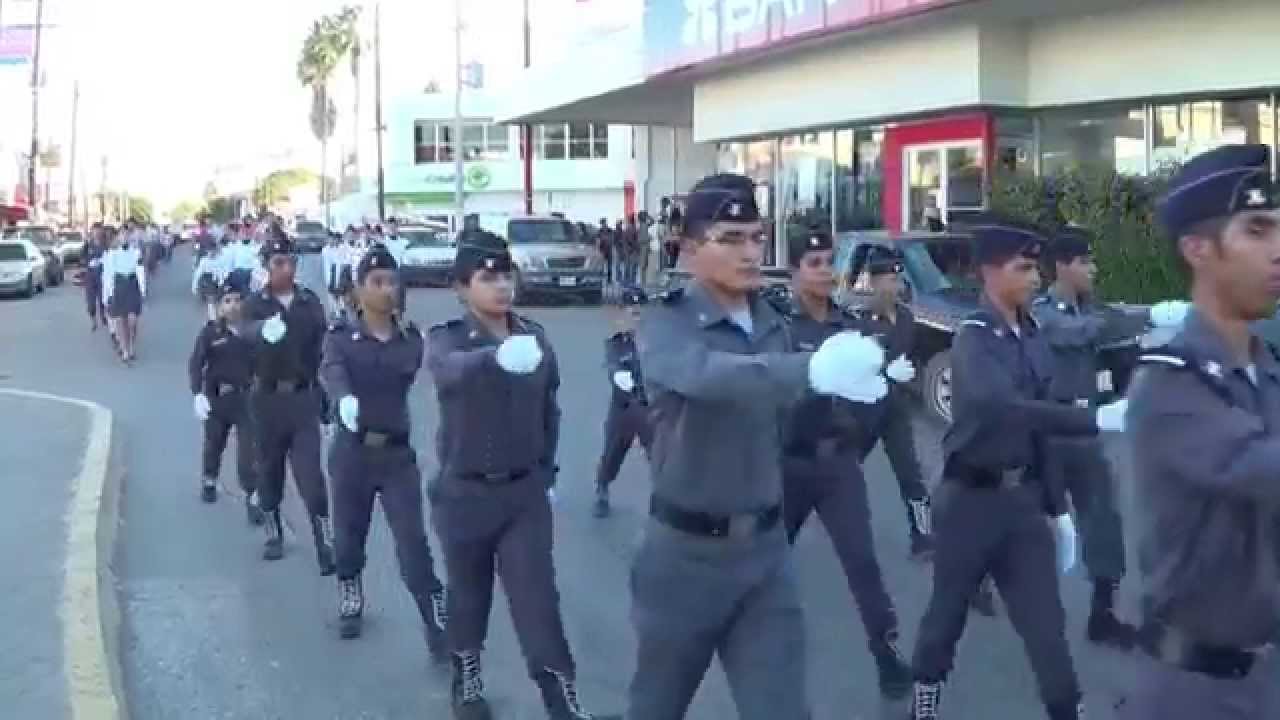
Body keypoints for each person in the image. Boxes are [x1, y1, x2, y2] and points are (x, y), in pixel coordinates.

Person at [628, 173, 888, 720]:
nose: (750, 252)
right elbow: (710, 377)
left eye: (756, 237)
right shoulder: (666, 320)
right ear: (692, 248)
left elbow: (790, 412)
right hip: (685, 557)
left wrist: (853, 393)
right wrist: (810, 370)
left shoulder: (773, 320)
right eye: (731, 238)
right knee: (656, 707)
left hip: (765, 553)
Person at [908, 219, 1128, 720]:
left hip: (1022, 504)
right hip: (969, 503)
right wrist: (1092, 417)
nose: (1034, 277)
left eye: (1035, 267)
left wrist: (1058, 509)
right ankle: (924, 704)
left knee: (1046, 625)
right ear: (989, 272)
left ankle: (1065, 710)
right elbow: (1004, 407)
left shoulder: (1031, 333)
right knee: (947, 614)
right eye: (1022, 267)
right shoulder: (974, 338)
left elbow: (1040, 430)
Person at [427, 230, 615, 720]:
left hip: (523, 494)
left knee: (537, 600)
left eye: (505, 274)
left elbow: (549, 411)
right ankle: (466, 681)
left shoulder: (535, 336)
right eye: (487, 278)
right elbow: (446, 372)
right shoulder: (446, 337)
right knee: (468, 595)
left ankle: (561, 698)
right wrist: (493, 358)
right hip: (465, 492)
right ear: (462, 288)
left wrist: (546, 472)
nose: (501, 286)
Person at [1122, 144, 1280, 720]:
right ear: (1198, 250)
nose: (1278, 250)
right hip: (1192, 693)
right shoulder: (1170, 384)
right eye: (1257, 231)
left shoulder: (1266, 368)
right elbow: (1265, 469)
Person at [775, 230, 914, 700]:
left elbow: (871, 398)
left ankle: (887, 652)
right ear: (794, 270)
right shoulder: (777, 326)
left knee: (862, 561)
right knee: (765, 560)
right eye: (813, 262)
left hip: (837, 464)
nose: (824, 271)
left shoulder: (851, 325)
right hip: (789, 466)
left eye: (829, 262)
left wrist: (861, 429)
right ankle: (738, 644)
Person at [320, 244, 448, 653]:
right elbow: (332, 370)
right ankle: (350, 592)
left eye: (392, 281)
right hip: (353, 452)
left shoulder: (411, 340)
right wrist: (343, 400)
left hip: (395, 455)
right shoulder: (341, 338)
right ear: (358, 291)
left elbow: (442, 368)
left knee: (412, 540)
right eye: (376, 282)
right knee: (348, 534)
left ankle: (435, 618)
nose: (386, 289)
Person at [1031, 226, 1138, 650]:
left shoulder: (1094, 308)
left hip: (1088, 429)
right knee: (1028, 525)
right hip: (1048, 433)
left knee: (1104, 525)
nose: (1092, 269)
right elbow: (1078, 333)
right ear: (1063, 266)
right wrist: (1146, 316)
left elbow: (1111, 336)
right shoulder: (1043, 311)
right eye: (1085, 262)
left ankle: (1103, 614)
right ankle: (986, 580)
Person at [242, 228, 335, 574]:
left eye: (290, 262)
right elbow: (242, 334)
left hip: (303, 397)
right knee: (269, 471)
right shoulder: (255, 304)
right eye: (278, 262)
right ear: (267, 266)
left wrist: (326, 395)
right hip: (267, 399)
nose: (286, 269)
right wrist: (260, 331)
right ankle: (274, 533)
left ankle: (325, 542)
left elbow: (323, 349)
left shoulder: (309, 302)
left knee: (312, 478)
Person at [852, 246, 934, 560]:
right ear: (873, 282)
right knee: (842, 471)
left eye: (898, 281)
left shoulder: (906, 317)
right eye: (888, 280)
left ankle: (924, 538)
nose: (895, 287)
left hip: (894, 408)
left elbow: (906, 354)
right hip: (862, 409)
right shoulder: (857, 320)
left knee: (910, 473)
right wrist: (884, 369)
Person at [189, 273, 263, 524]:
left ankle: (253, 497)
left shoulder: (252, 332)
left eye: (237, 300)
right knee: (214, 444)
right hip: (218, 398)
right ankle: (209, 478)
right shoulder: (210, 333)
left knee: (249, 453)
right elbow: (196, 364)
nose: (232, 305)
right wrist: (197, 393)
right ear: (220, 306)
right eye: (227, 300)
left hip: (247, 399)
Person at [592, 286, 652, 518]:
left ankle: (665, 500)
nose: (635, 315)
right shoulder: (618, 342)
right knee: (613, 452)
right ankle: (602, 487)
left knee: (660, 456)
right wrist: (618, 375)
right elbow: (613, 363)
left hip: (650, 407)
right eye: (631, 311)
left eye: (639, 311)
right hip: (624, 407)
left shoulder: (657, 341)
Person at [102, 220, 147, 363]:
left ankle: (132, 346)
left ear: (130, 236)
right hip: (119, 285)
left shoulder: (136, 252)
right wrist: (107, 294)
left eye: (127, 235)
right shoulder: (112, 254)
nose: (124, 238)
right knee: (121, 321)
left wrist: (143, 290)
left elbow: (140, 271)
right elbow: (108, 274)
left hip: (132, 285)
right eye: (122, 235)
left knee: (133, 321)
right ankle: (125, 350)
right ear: (118, 238)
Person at [192, 235, 228, 322]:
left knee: (219, 301)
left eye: (213, 250)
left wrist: (222, 281)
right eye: (209, 250)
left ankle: (220, 318)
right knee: (211, 301)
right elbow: (198, 274)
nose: (211, 252)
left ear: (216, 250)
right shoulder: (204, 260)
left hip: (219, 282)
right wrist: (194, 286)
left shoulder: (221, 259)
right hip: (208, 282)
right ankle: (213, 320)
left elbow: (224, 271)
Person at [83, 224, 108, 332]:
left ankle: (103, 316)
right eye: (94, 231)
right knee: (91, 301)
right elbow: (82, 258)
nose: (96, 233)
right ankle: (93, 320)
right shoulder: (88, 245)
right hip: (90, 276)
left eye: (98, 231)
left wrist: (102, 261)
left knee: (103, 298)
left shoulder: (106, 245)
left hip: (102, 275)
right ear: (92, 232)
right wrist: (88, 262)